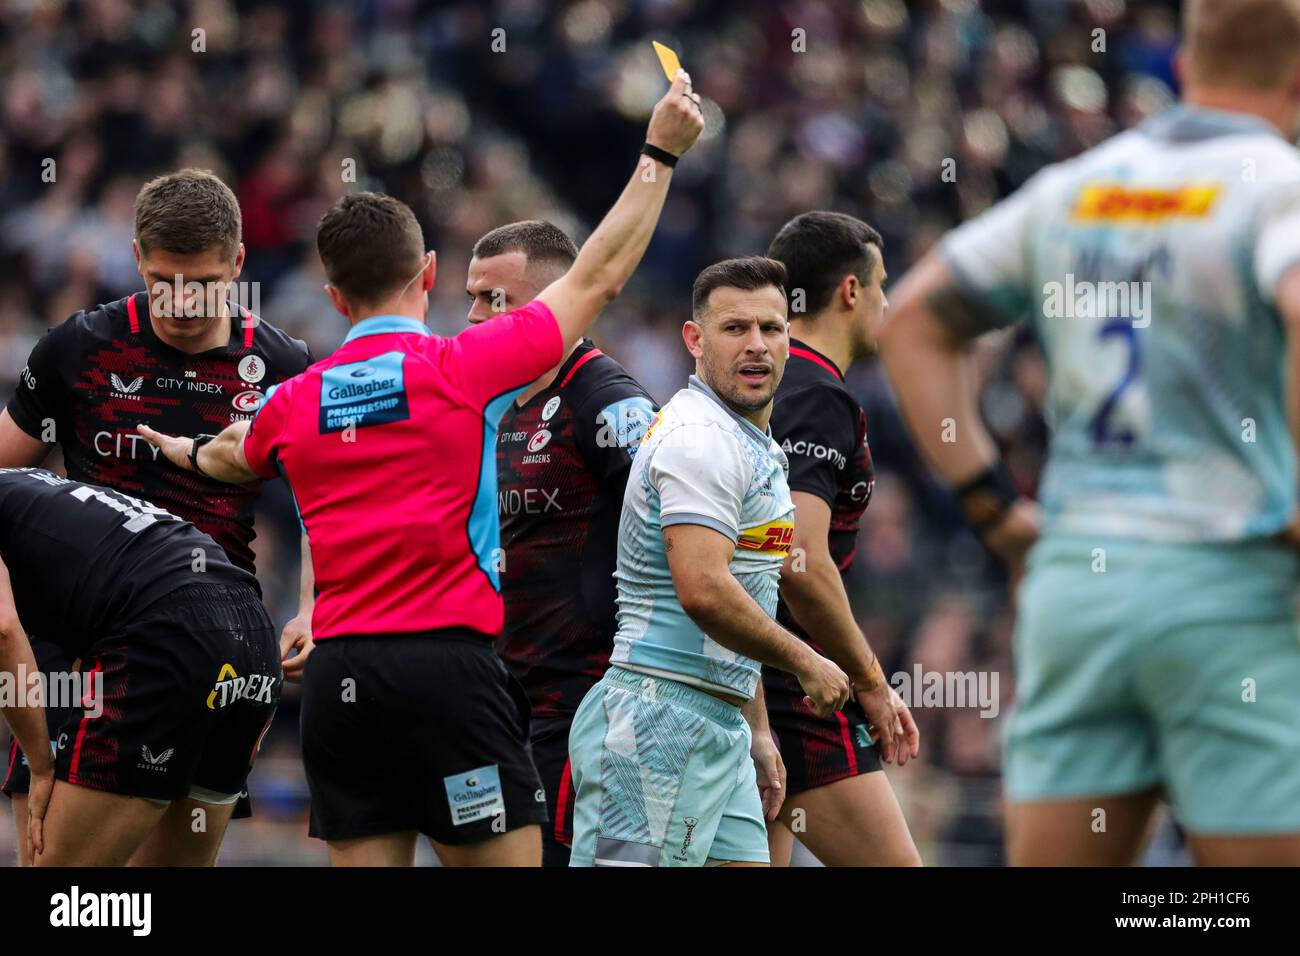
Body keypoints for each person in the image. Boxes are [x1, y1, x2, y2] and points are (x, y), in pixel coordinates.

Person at [137, 71, 706, 867]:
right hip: (449, 673)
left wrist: (179, 449)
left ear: (333, 298)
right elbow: (599, 275)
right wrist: (658, 153)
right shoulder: (461, 368)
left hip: (337, 685)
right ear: (431, 273)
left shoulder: (295, 404)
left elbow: (229, 455)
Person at [880, 0, 1300, 865]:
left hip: (1078, 588)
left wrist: (995, 512)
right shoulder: (1279, 187)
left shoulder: (1075, 186)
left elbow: (911, 319)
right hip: (1226, 584)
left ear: (1184, 65)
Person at [0, 168, 312, 864]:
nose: (181, 300)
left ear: (237, 263)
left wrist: (311, 609)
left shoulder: (282, 365)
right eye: (164, 278)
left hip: (212, 641)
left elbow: (328, 500)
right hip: (80, 646)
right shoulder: (81, 348)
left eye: (201, 281)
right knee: (59, 878)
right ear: (137, 256)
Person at [568, 256, 866, 867]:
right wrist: (808, 659)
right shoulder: (700, 438)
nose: (756, 346)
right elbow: (703, 590)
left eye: (771, 328)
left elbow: (742, 596)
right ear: (695, 340)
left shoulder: (748, 441)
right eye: (735, 329)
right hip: (653, 723)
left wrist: (755, 726)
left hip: (718, 723)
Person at [467, 219, 657, 866]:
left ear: (554, 301)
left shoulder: (608, 403)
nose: (471, 316)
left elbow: (680, 535)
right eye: (471, 296)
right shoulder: (489, 400)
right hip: (499, 698)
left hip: (583, 707)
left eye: (494, 300)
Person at [0, 467, 280, 867]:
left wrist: (41, 765)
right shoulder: (28, 489)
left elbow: (3, 630)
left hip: (168, 632)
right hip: (251, 632)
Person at [763, 211, 921, 866]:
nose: (888, 301)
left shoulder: (769, 379)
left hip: (746, 679)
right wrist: (872, 681)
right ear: (851, 292)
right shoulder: (813, 392)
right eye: (882, 285)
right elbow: (798, 562)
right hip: (793, 683)